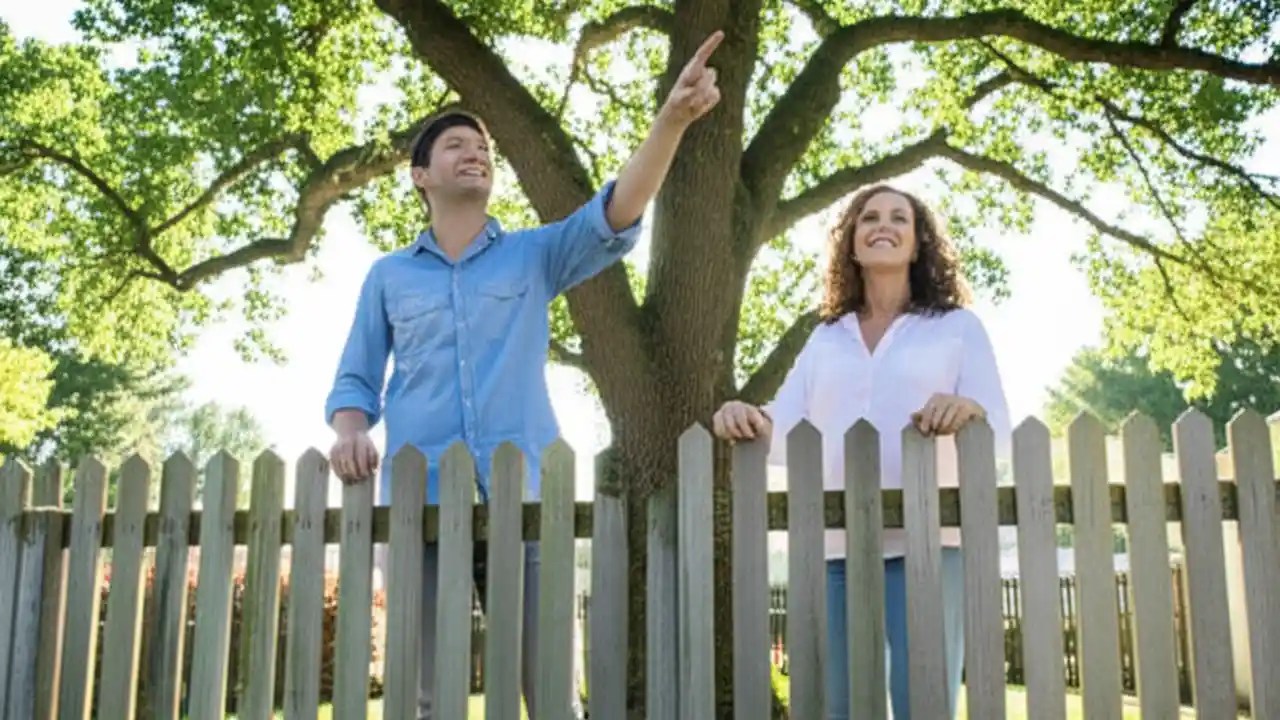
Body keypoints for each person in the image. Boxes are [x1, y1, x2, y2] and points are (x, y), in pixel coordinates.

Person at [324, 30, 725, 720]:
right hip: (420, 505)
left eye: (482, 148)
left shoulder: (535, 257)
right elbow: (355, 378)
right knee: (427, 698)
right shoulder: (387, 277)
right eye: (455, 146)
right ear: (421, 176)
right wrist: (350, 430)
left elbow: (616, 213)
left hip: (529, 497)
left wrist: (673, 121)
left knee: (550, 695)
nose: (474, 153)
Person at [711, 184, 1010, 719]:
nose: (884, 225)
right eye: (869, 217)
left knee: (924, 703)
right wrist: (742, 413)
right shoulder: (826, 336)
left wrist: (965, 408)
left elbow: (996, 423)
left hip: (928, 546)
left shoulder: (957, 327)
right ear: (851, 243)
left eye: (900, 218)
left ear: (918, 245)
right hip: (836, 551)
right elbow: (782, 426)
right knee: (840, 705)